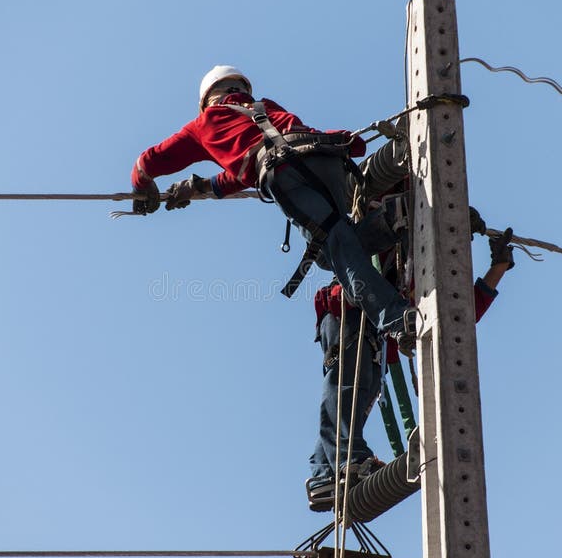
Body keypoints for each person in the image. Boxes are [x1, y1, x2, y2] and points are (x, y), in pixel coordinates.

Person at [130, 65, 417, 352]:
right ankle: (393, 218)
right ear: (240, 90)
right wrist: (198, 187)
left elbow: (149, 162)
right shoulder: (263, 107)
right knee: (333, 251)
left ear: (207, 100)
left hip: (286, 173)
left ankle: (396, 319)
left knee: (339, 251)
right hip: (325, 160)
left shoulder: (204, 124)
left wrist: (141, 187)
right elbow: (251, 164)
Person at [306, 219, 515, 511]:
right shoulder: (401, 229)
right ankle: (347, 462)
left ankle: (324, 474)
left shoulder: (426, 270)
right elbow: (374, 200)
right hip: (351, 312)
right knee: (348, 388)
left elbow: (459, 313)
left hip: (376, 331)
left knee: (359, 397)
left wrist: (499, 268)